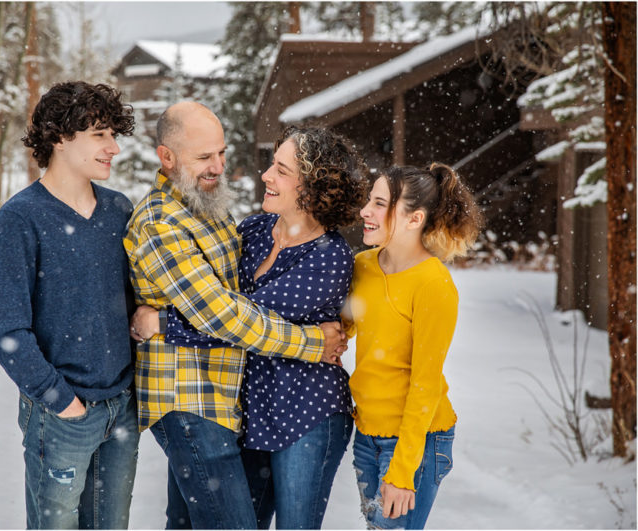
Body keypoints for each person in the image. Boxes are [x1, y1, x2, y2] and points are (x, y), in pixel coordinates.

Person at [123, 102, 347, 529]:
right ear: (166, 157)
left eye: (220, 153)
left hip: (237, 403)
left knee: (188, 524)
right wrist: (314, 342)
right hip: (189, 398)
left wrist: (164, 323)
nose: (218, 167)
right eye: (204, 157)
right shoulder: (161, 223)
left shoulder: (211, 208)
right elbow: (227, 316)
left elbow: (240, 302)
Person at [0, 81, 140, 529]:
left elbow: (130, 304)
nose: (113, 148)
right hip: (61, 415)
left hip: (120, 408)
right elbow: (6, 331)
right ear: (59, 137)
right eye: (100, 135)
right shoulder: (20, 219)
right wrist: (61, 400)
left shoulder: (118, 211)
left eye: (114, 135)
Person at [344, 163, 483, 529]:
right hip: (368, 434)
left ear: (413, 218)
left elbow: (425, 383)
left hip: (415, 442)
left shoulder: (433, 285)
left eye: (379, 204)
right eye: (368, 202)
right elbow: (344, 327)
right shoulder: (362, 267)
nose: (365, 212)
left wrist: (403, 471)